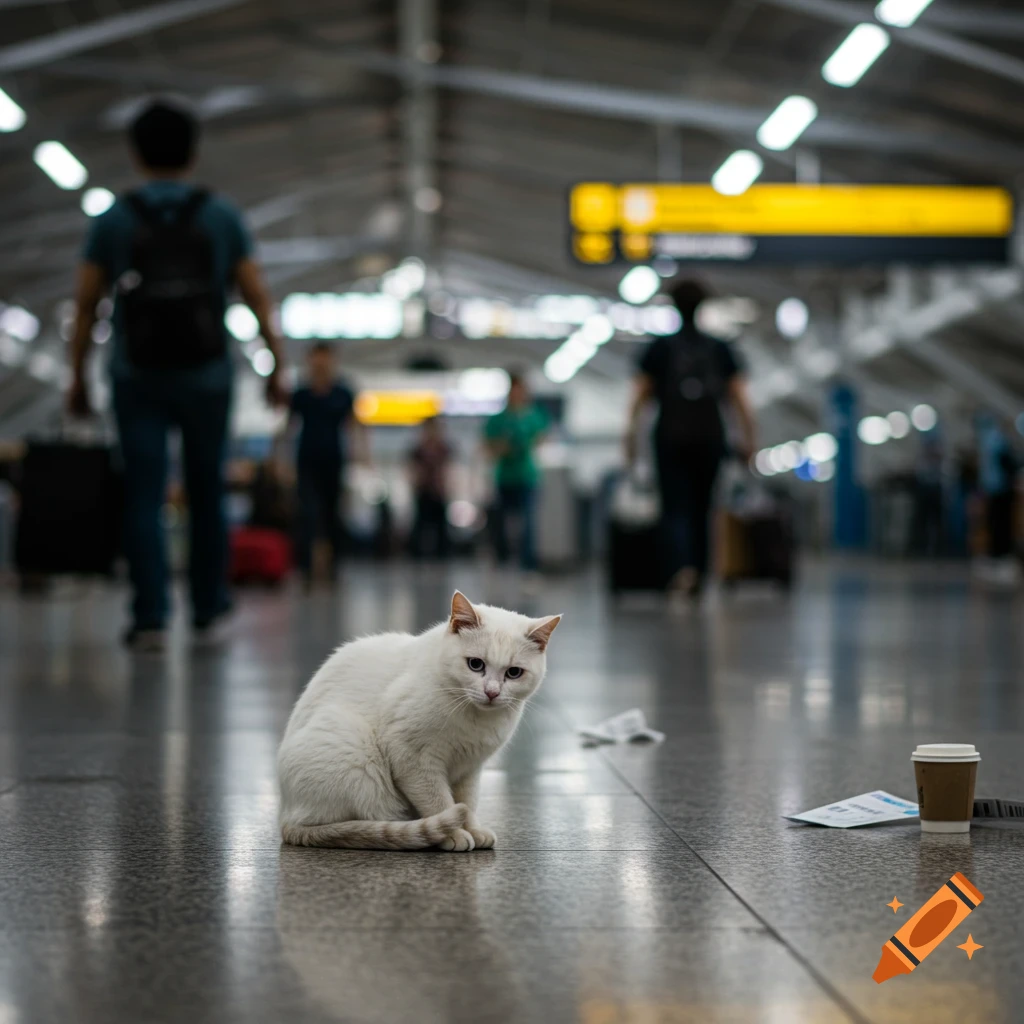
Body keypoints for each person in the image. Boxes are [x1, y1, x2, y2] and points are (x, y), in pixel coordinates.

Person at [67, 99, 285, 650]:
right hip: (207, 373)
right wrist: (276, 362)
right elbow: (256, 294)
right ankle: (209, 610)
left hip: (135, 374)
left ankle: (149, 617)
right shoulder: (221, 215)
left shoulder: (115, 219)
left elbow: (86, 304)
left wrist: (76, 376)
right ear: (193, 151)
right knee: (206, 489)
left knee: (144, 493)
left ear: (136, 152)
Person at [625, 279, 756, 598]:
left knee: (674, 507)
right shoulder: (720, 348)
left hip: (670, 436)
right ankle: (701, 570)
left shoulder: (658, 349)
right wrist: (749, 437)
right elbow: (739, 398)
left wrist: (630, 437)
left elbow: (640, 398)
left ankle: (681, 570)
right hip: (711, 435)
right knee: (704, 506)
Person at [289, 343, 368, 583]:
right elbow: (288, 426)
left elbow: (354, 424)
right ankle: (306, 569)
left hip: (334, 462)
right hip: (306, 461)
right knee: (308, 515)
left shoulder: (342, 393)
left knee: (333, 515)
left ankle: (333, 568)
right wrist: (278, 459)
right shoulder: (301, 394)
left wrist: (362, 454)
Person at [484, 373, 548, 573]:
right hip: (504, 478)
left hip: (527, 477)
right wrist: (503, 447)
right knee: (501, 523)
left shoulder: (533, 416)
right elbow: (489, 447)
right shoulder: (498, 419)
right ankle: (501, 560)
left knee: (528, 523)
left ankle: (528, 566)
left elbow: (541, 437)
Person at [407, 417, 453, 559]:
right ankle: (417, 554)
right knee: (420, 524)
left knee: (441, 526)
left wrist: (446, 484)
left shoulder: (444, 449)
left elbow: (449, 469)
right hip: (423, 490)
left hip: (439, 491)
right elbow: (412, 469)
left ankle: (442, 554)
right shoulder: (417, 450)